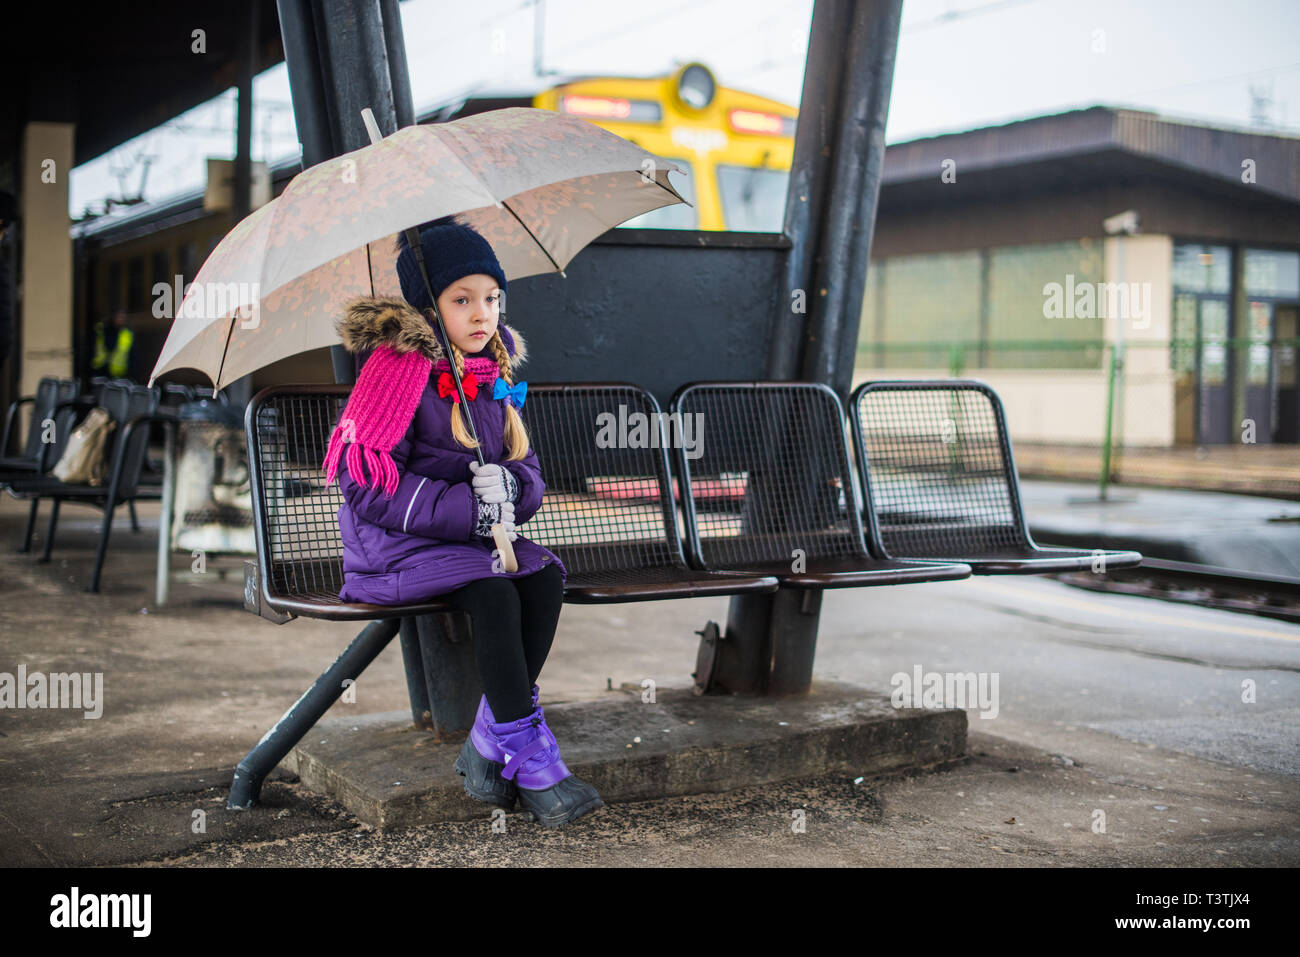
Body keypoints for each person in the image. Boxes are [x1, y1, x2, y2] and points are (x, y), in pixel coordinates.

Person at [322, 219, 602, 828]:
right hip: (397, 545)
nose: (483, 313)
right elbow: (366, 483)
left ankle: (487, 737)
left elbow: (528, 470)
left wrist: (508, 489)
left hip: (471, 540)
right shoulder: (393, 376)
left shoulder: (488, 375)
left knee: (544, 579)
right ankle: (529, 755)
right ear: (428, 308)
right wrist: (467, 506)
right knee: (496, 594)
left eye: (492, 297)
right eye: (462, 300)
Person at [91, 308, 136, 380]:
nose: (120, 320)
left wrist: (132, 374)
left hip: (119, 373)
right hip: (101, 371)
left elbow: (133, 356)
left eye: (122, 317)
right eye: (118, 317)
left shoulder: (127, 334)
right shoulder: (104, 330)